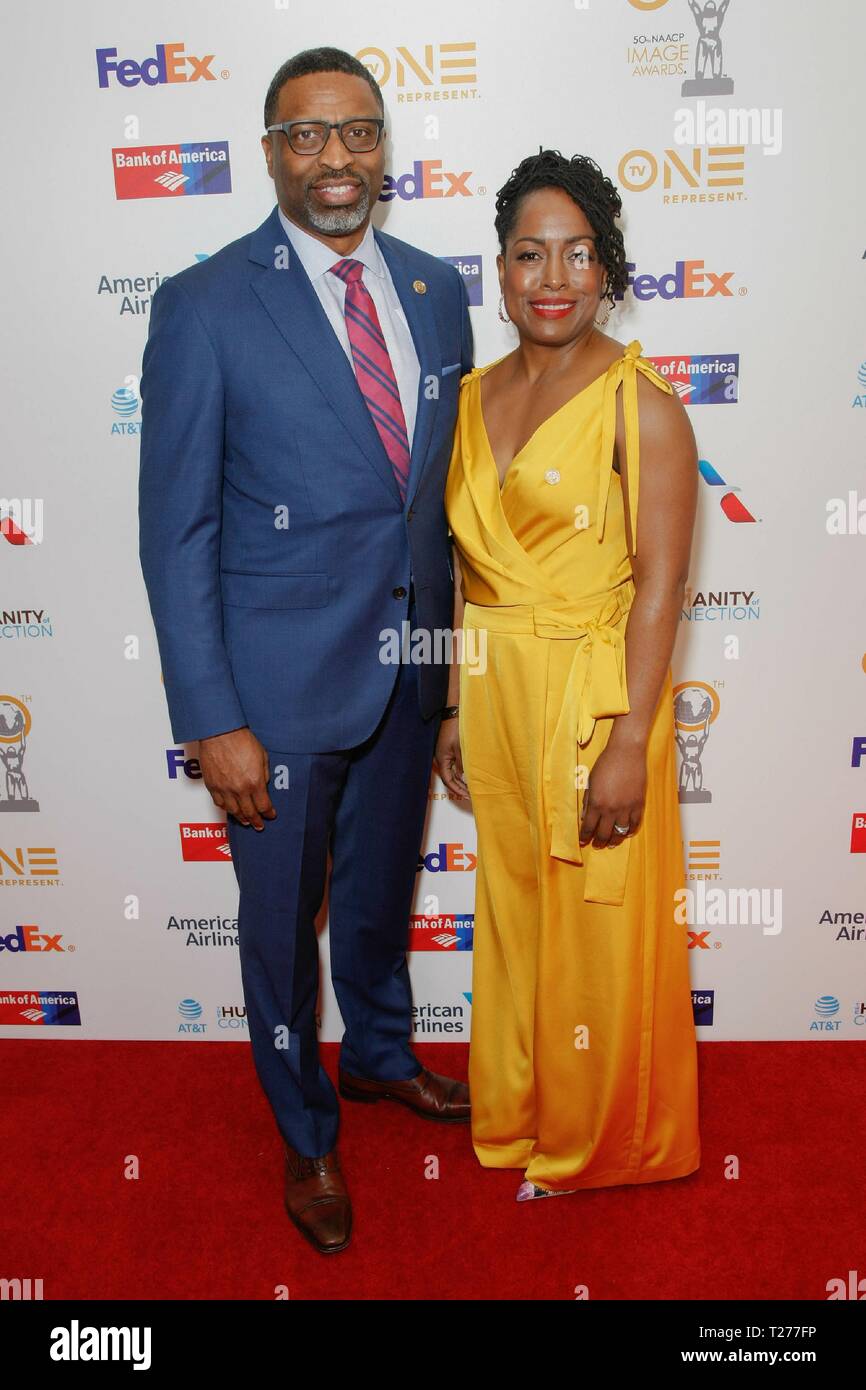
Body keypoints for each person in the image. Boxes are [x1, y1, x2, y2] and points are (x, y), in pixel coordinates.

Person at [139, 47, 474, 1255]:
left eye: (358, 132)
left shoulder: (439, 292)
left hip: (406, 673)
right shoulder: (207, 303)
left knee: (381, 897)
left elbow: (436, 510)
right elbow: (175, 528)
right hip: (272, 694)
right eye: (306, 135)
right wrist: (210, 714)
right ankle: (305, 1126)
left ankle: (381, 1057)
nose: (336, 157)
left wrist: (443, 689)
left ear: (386, 144)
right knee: (281, 927)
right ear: (270, 150)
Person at [437, 150, 701, 1199]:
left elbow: (657, 590)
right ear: (497, 272)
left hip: (595, 698)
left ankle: (600, 1141)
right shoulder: (466, 399)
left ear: (606, 270)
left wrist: (631, 740)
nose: (552, 275)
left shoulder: (643, 407)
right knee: (510, 911)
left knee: (596, 915)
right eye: (528, 253)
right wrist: (455, 703)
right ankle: (518, 1113)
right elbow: (465, 572)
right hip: (497, 690)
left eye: (576, 253)